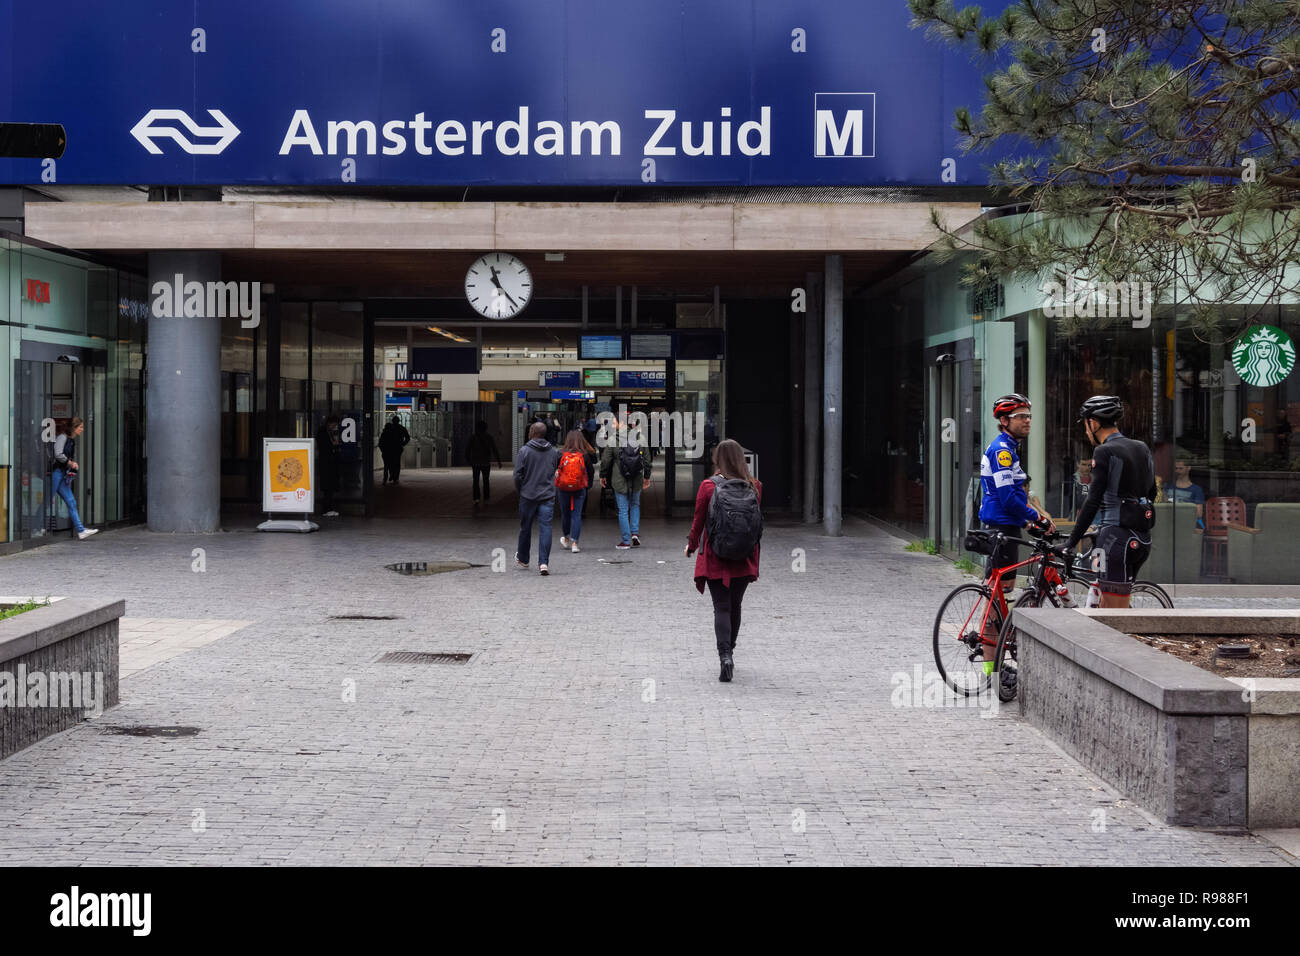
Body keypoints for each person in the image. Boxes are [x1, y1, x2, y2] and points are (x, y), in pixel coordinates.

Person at [1064, 396, 1157, 609]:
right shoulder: (1141, 447)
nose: (1086, 431)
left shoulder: (1103, 451)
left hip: (1115, 538)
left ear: (1094, 423)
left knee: (1115, 619)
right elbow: (1152, 492)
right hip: (1141, 538)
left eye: (1085, 424)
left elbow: (1093, 500)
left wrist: (1071, 542)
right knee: (1107, 608)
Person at [686, 439, 762, 683]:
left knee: (721, 606)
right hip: (743, 554)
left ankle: (724, 656)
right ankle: (731, 651)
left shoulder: (708, 486)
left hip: (715, 554)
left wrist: (691, 544)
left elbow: (699, 520)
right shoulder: (755, 486)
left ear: (718, 459)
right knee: (735, 605)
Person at [978, 394, 1053, 598]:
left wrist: (1026, 523)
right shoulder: (1002, 451)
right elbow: (1008, 498)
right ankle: (989, 631)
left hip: (1006, 525)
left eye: (1028, 416)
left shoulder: (1009, 448)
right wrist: (1038, 517)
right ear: (1004, 421)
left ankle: (996, 629)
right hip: (1002, 528)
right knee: (1000, 590)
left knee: (1001, 589)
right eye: (1020, 416)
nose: (1027, 420)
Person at [514, 421, 560, 575]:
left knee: (525, 527)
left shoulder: (524, 451)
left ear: (532, 432)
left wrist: (521, 490)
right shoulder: (553, 452)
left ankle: (523, 558)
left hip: (528, 495)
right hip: (547, 495)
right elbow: (553, 469)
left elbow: (517, 475)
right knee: (546, 528)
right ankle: (543, 563)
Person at [599, 417, 652, 549]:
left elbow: (605, 460)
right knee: (635, 504)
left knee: (623, 510)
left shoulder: (613, 439)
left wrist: (602, 475)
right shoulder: (640, 437)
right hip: (637, 477)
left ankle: (626, 541)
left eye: (614, 422)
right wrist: (647, 476)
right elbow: (647, 460)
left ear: (622, 423)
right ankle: (634, 534)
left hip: (619, 478)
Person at [50, 416, 98, 540]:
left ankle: (81, 530)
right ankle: (36, 528)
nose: (82, 429)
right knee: (47, 499)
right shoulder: (63, 438)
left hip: (62, 473)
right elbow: (58, 454)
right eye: (81, 427)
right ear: (74, 427)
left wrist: (70, 463)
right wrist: (71, 463)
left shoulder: (70, 440)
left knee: (71, 502)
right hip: (57, 472)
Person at [555, 430, 593, 553]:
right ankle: (575, 543)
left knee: (565, 514)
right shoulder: (584, 455)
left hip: (563, 487)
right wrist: (587, 486)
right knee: (576, 515)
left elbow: (555, 469)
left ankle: (566, 538)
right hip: (579, 487)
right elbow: (590, 472)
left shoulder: (560, 454)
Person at [465, 420, 503, 504]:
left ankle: (476, 498)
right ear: (486, 428)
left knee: (475, 481)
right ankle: (486, 498)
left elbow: (467, 449)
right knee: (486, 480)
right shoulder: (489, 437)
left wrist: (468, 460)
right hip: (486, 462)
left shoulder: (473, 437)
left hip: (475, 462)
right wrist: (499, 461)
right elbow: (494, 449)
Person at [315, 415, 341, 516]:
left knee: (329, 488)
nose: (334, 426)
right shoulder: (323, 432)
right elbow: (324, 447)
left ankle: (328, 508)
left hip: (329, 463)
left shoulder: (327, 432)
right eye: (334, 424)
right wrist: (334, 445)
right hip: (327, 463)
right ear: (330, 423)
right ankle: (326, 509)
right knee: (328, 487)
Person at [1169, 456, 1206, 527]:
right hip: (1169, 522)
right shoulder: (1168, 486)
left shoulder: (1196, 489)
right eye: (1176, 468)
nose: (1177, 471)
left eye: (1181, 468)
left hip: (1187, 523)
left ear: (1189, 468)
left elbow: (1199, 514)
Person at [377, 414, 410, 484]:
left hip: (388, 450)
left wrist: (382, 449)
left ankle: (387, 478)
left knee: (388, 465)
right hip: (397, 449)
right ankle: (395, 478)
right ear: (399, 421)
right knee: (396, 463)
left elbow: (381, 442)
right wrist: (402, 444)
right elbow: (408, 438)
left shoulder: (388, 430)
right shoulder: (401, 428)